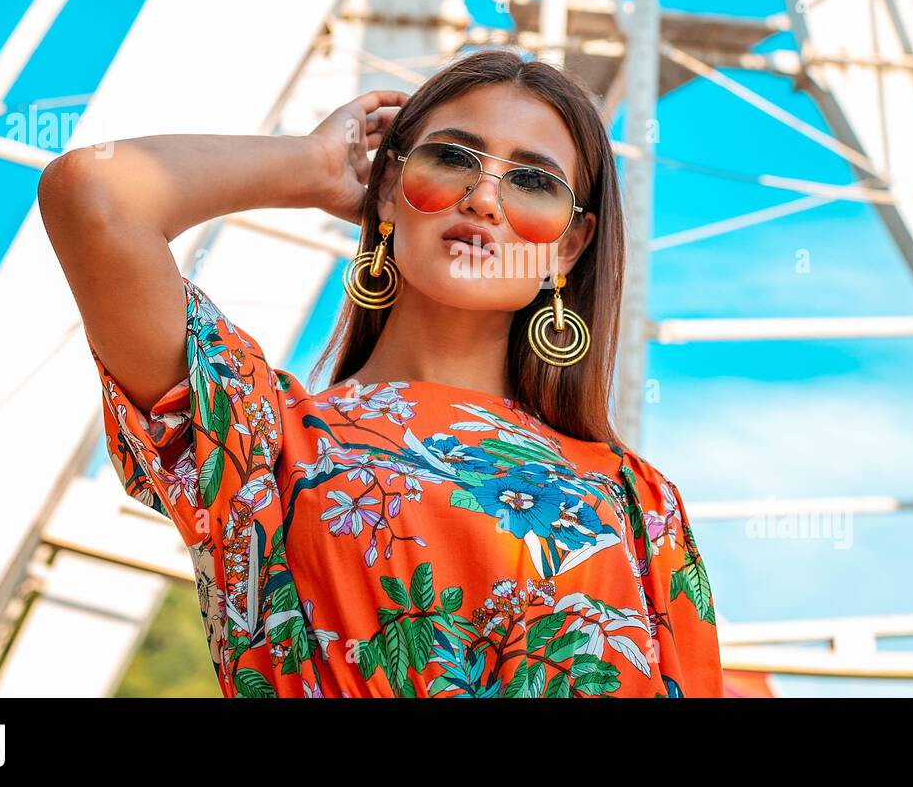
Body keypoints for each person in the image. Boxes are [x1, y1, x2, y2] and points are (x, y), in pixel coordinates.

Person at [38, 47, 725, 698]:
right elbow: (94, 192)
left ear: (569, 246)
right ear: (389, 187)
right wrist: (307, 167)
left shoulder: (637, 501)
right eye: (453, 159)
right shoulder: (258, 444)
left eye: (532, 181)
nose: (484, 199)